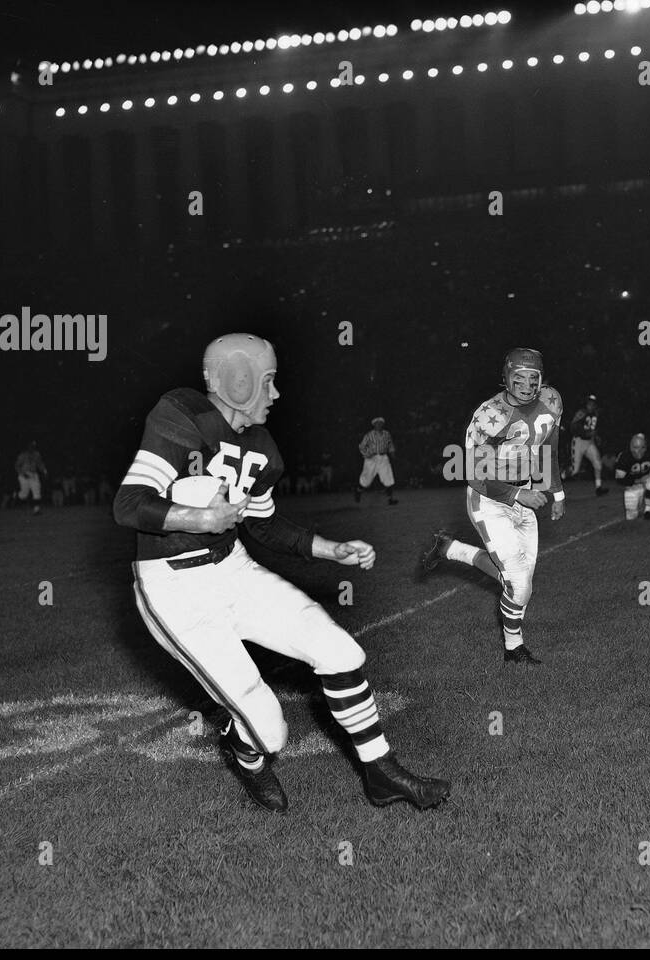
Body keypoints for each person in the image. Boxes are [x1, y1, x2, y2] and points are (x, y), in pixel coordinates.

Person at [113, 332, 449, 811]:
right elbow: (129, 505)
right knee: (270, 731)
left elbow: (265, 525)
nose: (275, 395)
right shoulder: (182, 414)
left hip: (233, 569)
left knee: (340, 650)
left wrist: (331, 549)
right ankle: (244, 751)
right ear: (239, 379)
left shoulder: (263, 447)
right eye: (268, 382)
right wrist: (203, 518)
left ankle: (382, 773)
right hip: (173, 587)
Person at [420, 347, 564, 664]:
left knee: (518, 580)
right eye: (519, 377)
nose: (527, 385)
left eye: (533, 378)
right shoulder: (490, 415)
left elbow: (548, 447)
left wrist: (555, 491)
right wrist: (516, 496)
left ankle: (449, 549)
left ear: (542, 380)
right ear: (505, 378)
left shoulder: (551, 400)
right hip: (488, 499)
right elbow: (472, 473)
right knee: (518, 582)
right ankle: (514, 649)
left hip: (525, 493)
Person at [614, 433, 650, 520]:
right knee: (631, 516)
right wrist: (638, 480)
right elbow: (620, 479)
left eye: (642, 447)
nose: (639, 451)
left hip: (646, 481)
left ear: (646, 447)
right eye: (636, 447)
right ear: (630, 447)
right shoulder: (624, 457)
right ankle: (637, 507)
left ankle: (647, 511)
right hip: (632, 486)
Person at [569, 394, 607, 495]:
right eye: (589, 403)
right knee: (574, 471)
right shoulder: (582, 413)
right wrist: (585, 433)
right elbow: (573, 427)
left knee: (598, 463)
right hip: (579, 442)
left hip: (589, 442)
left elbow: (595, 428)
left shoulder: (596, 413)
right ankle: (557, 479)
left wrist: (596, 436)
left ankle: (598, 487)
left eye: (593, 403)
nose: (591, 405)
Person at [354, 416, 398, 505]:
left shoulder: (386, 434)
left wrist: (392, 453)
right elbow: (362, 446)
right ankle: (358, 491)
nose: (379, 425)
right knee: (366, 480)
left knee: (388, 478)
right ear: (374, 425)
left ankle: (390, 499)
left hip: (383, 457)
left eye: (380, 423)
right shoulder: (369, 435)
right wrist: (367, 454)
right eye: (377, 423)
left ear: (382, 424)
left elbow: (390, 445)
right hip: (372, 459)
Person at [15, 441, 47, 516]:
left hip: (34, 475)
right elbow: (17, 466)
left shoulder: (37, 454)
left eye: (33, 446)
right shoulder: (22, 455)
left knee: (37, 492)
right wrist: (23, 474)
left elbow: (40, 463)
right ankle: (16, 496)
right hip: (24, 475)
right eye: (31, 446)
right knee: (24, 494)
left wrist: (44, 471)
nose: (32, 448)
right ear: (27, 447)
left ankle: (36, 510)